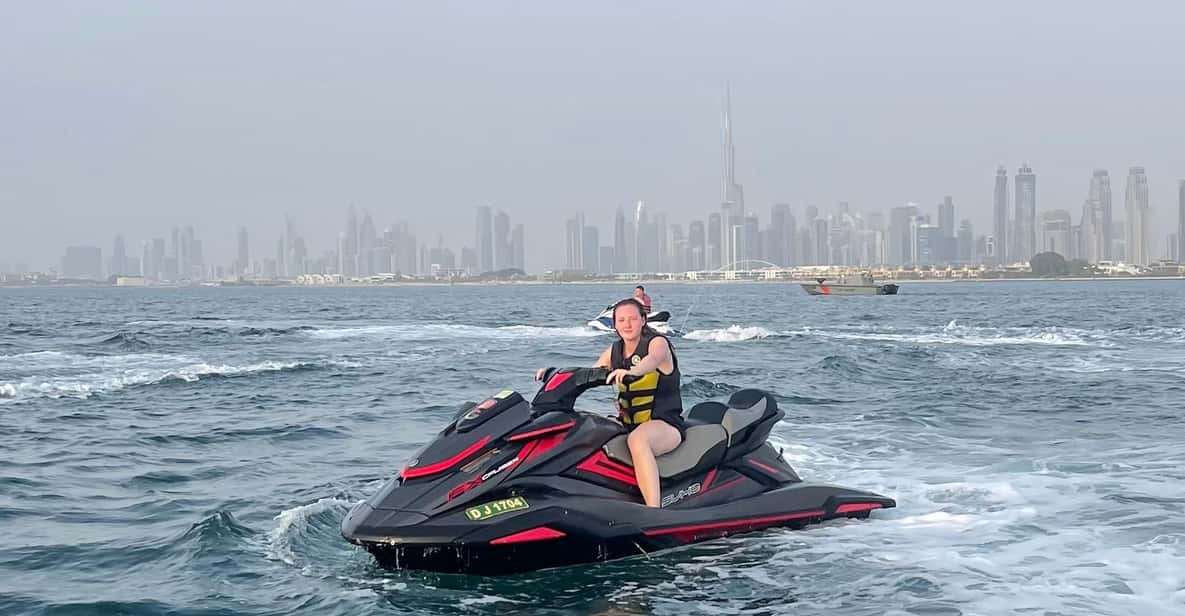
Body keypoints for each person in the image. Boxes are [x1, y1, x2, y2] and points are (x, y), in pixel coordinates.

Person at [536, 298, 684, 507]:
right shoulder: (614, 351)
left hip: (665, 424)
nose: (627, 324)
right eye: (621, 320)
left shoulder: (657, 343)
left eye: (633, 318)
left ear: (643, 320)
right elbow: (588, 374)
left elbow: (651, 361)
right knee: (588, 430)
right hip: (628, 423)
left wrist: (632, 372)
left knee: (638, 441)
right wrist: (554, 374)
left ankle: (653, 508)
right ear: (614, 325)